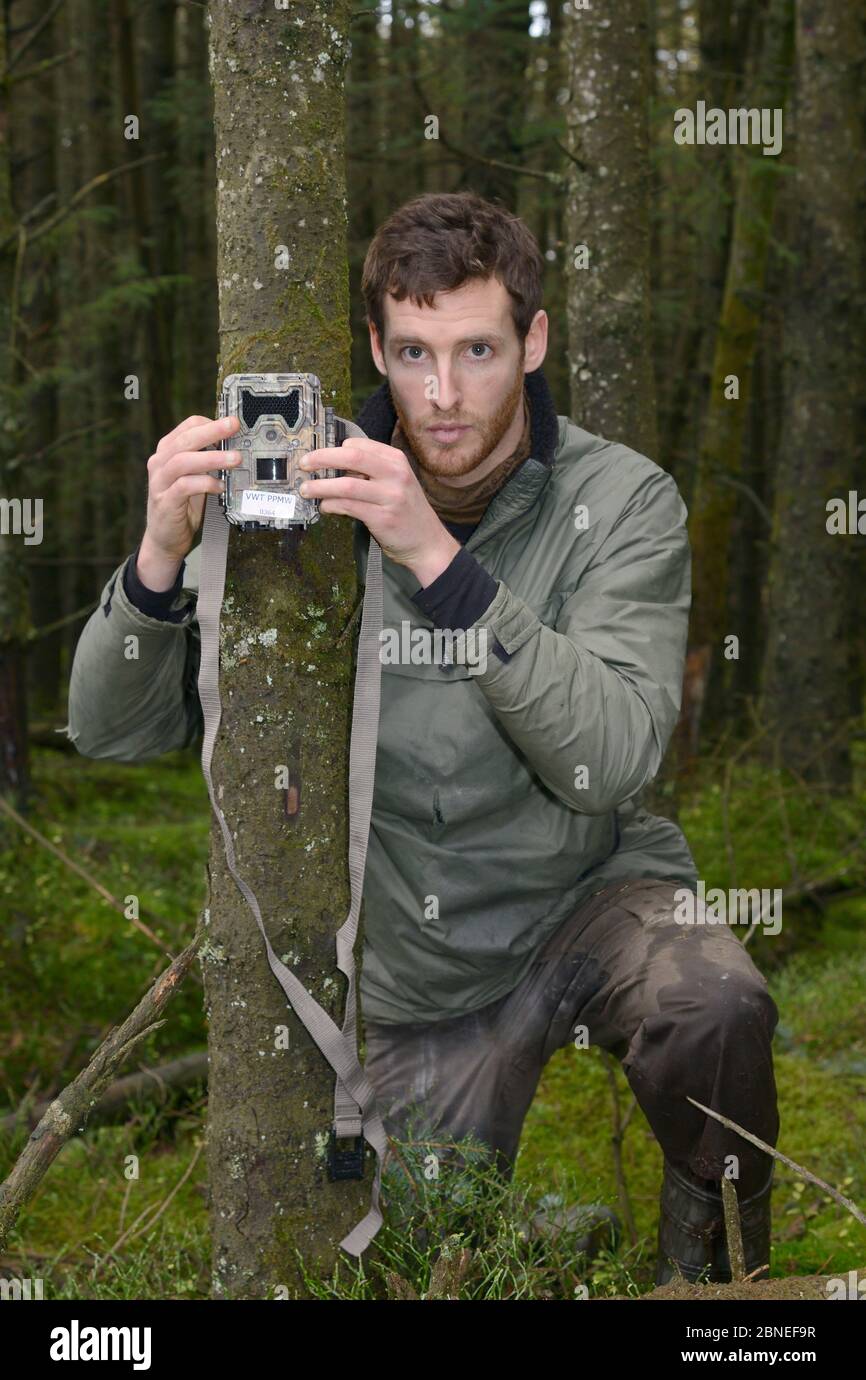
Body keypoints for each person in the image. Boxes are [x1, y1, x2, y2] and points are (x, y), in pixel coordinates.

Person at [66, 190, 780, 1286]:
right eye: (412, 353)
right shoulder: (304, 501)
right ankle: (551, 1232)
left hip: (591, 889)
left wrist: (440, 564)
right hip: (421, 969)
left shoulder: (619, 499)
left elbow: (614, 754)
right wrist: (157, 558)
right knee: (422, 1258)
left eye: (478, 350)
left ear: (532, 340)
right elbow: (107, 736)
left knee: (714, 1005)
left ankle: (720, 1283)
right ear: (372, 348)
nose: (442, 396)